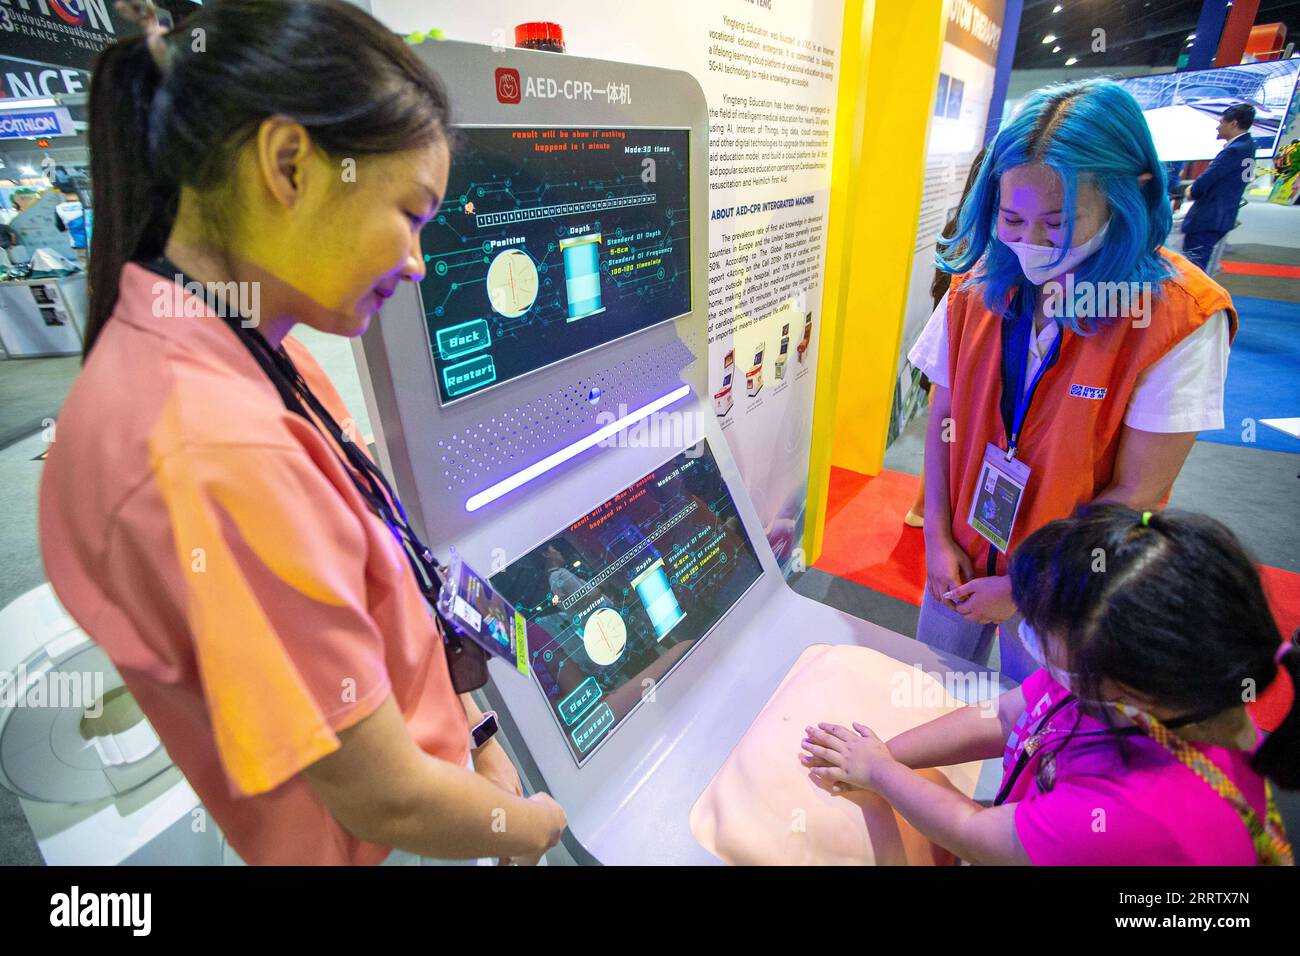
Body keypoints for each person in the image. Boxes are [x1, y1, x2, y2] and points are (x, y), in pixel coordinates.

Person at [38, 0, 566, 865]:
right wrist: (532, 825)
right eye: (410, 214)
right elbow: (383, 797)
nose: (418, 263)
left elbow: (380, 577)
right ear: (290, 163)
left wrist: (475, 738)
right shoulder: (210, 453)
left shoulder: (253, 343)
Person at [908, 78, 1236, 680]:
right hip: (959, 558)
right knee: (933, 693)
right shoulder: (979, 284)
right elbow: (944, 418)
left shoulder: (1177, 316)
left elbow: (1137, 492)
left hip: (1068, 585)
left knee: (1035, 738)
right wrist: (937, 535)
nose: (1029, 244)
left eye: (1057, 223)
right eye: (1011, 218)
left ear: (1126, 197)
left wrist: (1026, 588)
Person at [802, 505, 1297, 865]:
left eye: (1045, 632)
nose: (1031, 635)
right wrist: (883, 755)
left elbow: (973, 833)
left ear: (1124, 681)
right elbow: (1008, 714)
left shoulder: (1138, 816)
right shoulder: (1126, 679)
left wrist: (879, 774)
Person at [1181, 103, 1256, 272]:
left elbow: (1207, 179)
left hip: (1209, 217)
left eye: (1221, 122)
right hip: (1223, 215)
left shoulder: (1234, 150)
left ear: (1233, 124)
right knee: (1199, 264)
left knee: (1194, 268)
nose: (1218, 126)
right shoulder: (1249, 147)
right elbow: (1246, 178)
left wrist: (1191, 191)